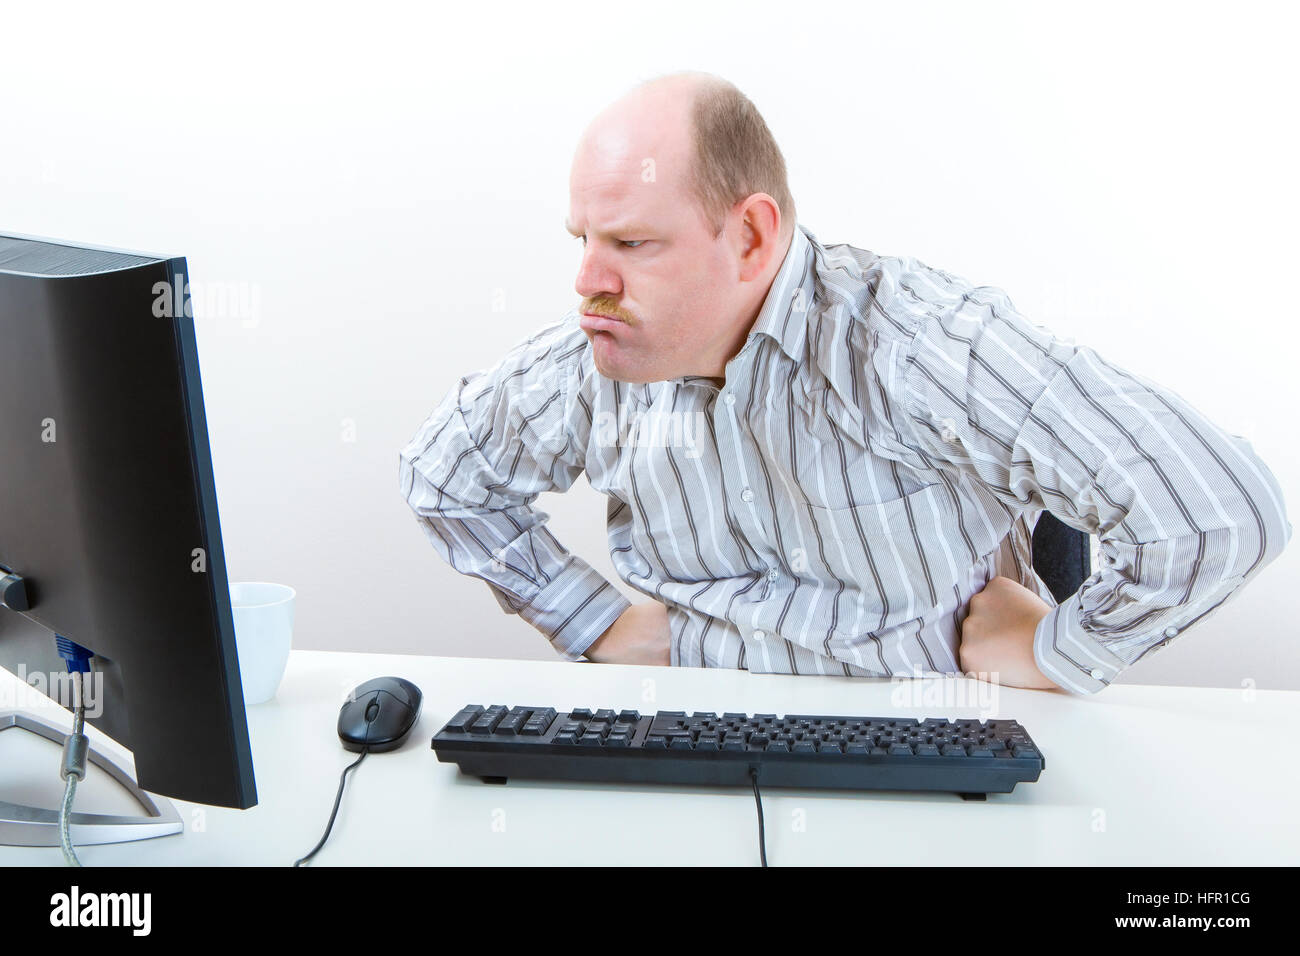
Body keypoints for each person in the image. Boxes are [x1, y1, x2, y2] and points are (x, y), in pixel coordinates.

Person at [398, 70, 1291, 693]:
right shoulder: (600, 360)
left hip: (927, 734)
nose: (589, 279)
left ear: (750, 236)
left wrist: (1060, 652)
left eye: (631, 244)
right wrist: (592, 622)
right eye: (581, 240)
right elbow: (443, 476)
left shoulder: (921, 346)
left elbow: (1222, 510)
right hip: (698, 728)